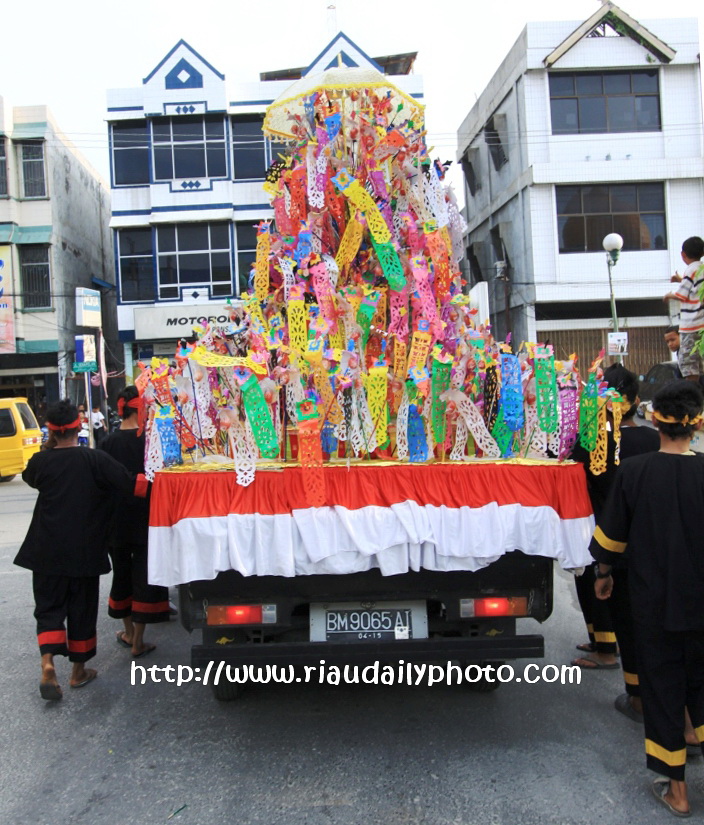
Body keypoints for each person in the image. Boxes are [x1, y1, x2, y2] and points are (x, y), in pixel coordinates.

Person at [591, 380, 704, 817]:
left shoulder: (634, 471)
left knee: (662, 689)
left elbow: (611, 539)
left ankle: (677, 791)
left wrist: (603, 575)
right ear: (696, 424)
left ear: (654, 419)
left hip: (654, 605)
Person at [14, 399, 148, 701]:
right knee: (81, 609)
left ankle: (47, 663)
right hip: (85, 550)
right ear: (79, 426)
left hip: (45, 549)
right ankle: (77, 673)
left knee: (48, 607)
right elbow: (133, 486)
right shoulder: (95, 460)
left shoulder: (40, 462)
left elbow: (30, 478)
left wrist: (49, 449)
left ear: (51, 431)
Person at [100, 385, 169, 658]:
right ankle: (138, 640)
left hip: (115, 521)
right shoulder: (151, 441)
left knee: (122, 574)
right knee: (144, 575)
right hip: (147, 518)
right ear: (141, 410)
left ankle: (128, 633)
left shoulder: (106, 443)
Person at [663, 237, 704, 382]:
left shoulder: (691, 269)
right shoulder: (701, 268)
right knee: (700, 362)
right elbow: (695, 288)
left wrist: (669, 295)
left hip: (691, 325)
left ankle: (691, 397)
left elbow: (682, 294)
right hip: (701, 325)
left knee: (689, 365)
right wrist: (681, 280)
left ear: (683, 254)